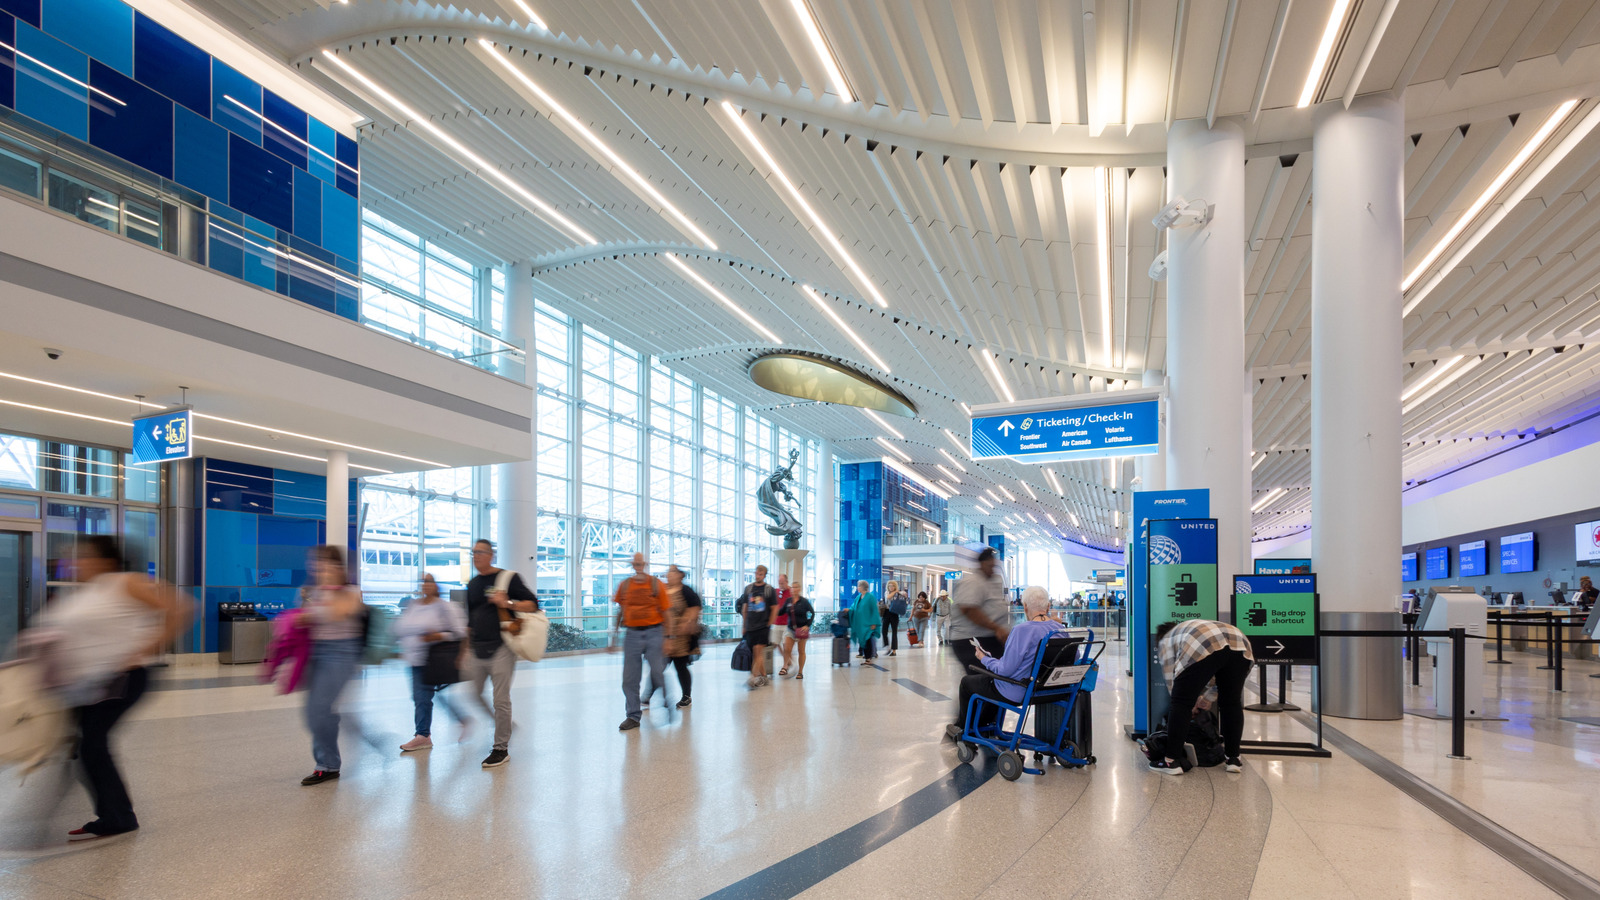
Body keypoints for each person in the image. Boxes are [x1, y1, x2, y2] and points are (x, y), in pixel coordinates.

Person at [29, 536, 186, 840]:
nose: (74, 562)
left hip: (119, 678)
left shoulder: (126, 582)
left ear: (107, 560)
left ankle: (117, 817)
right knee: (77, 745)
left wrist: (145, 648)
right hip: (82, 682)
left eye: (83, 556)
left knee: (92, 744)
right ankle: (107, 813)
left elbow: (180, 608)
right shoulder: (83, 593)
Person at [945, 586, 1062, 741]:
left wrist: (984, 658)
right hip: (1048, 690)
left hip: (1019, 691)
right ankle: (986, 725)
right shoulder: (1059, 629)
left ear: (1025, 606)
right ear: (1048, 606)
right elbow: (1072, 657)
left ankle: (966, 732)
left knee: (967, 683)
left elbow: (1005, 670)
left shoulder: (1022, 630)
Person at [461, 539, 539, 768]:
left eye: (480, 552)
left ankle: (500, 748)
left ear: (491, 555)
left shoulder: (508, 578)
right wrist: (464, 648)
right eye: (473, 552)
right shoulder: (473, 583)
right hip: (477, 648)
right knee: (473, 693)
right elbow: (470, 619)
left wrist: (507, 601)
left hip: (502, 647)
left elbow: (533, 604)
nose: (475, 556)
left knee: (500, 700)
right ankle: (504, 724)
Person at [1151, 619, 1254, 775]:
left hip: (1204, 641)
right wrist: (1206, 698)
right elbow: (1216, 668)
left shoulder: (1166, 640)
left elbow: (1173, 681)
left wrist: (1188, 703)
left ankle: (1170, 762)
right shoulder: (1188, 628)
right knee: (1231, 703)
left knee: (1181, 703)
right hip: (1240, 642)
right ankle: (1233, 759)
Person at [300, 545, 365, 786]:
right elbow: (303, 619)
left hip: (341, 654)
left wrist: (325, 592)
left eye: (323, 562)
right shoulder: (314, 592)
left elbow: (339, 613)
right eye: (315, 562)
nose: (318, 567)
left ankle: (327, 765)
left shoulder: (350, 592)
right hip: (317, 653)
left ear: (337, 567)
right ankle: (328, 759)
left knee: (319, 709)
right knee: (313, 713)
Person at [394, 574, 468, 752]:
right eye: (422, 582)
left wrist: (438, 635)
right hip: (413, 658)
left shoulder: (444, 607)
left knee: (422, 698)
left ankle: (423, 735)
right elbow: (400, 628)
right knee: (423, 697)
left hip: (432, 659)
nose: (425, 585)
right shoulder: (414, 605)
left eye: (428, 581)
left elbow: (459, 632)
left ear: (436, 585)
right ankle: (461, 720)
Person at [612, 552, 671, 730]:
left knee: (657, 672)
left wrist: (669, 638)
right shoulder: (625, 586)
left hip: (654, 631)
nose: (638, 565)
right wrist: (614, 635)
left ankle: (666, 701)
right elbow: (620, 611)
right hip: (632, 634)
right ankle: (633, 716)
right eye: (635, 563)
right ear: (633, 564)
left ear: (644, 564)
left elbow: (666, 612)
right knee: (629, 678)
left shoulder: (655, 584)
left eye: (640, 563)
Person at [949, 548, 1009, 684]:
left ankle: (986, 702)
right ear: (982, 564)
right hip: (970, 640)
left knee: (996, 677)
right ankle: (975, 703)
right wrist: (996, 628)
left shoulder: (991, 582)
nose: (992, 570)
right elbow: (969, 610)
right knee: (983, 680)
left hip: (989, 638)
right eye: (990, 566)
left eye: (994, 566)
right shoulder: (972, 582)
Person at [663, 565, 703, 708]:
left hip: (681, 638)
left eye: (673, 571)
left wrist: (687, 621)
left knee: (680, 667)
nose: (669, 574)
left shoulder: (686, 591)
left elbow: (696, 607)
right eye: (668, 571)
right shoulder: (663, 590)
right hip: (665, 636)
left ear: (680, 575)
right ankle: (648, 695)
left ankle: (686, 695)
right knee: (659, 666)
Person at [737, 566, 778, 687]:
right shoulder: (748, 589)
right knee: (755, 653)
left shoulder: (769, 589)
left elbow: (775, 608)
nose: (758, 575)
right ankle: (764, 676)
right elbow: (745, 608)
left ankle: (753, 677)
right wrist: (744, 625)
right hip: (750, 626)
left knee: (758, 651)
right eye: (757, 573)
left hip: (763, 626)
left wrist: (769, 624)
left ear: (765, 575)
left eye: (761, 574)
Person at [783, 584, 815, 679]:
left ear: (799, 589)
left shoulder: (804, 601)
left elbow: (812, 613)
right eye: (793, 587)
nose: (794, 589)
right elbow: (781, 611)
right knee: (787, 648)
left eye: (796, 587)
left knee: (801, 651)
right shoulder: (788, 601)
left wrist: (807, 625)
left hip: (801, 630)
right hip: (790, 629)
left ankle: (800, 672)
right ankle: (785, 666)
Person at [849, 580, 881, 659]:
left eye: (859, 586)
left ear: (863, 587)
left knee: (868, 640)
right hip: (861, 624)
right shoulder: (858, 597)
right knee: (863, 640)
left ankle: (869, 657)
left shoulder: (870, 597)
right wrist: (849, 610)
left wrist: (874, 623)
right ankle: (866, 656)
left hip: (869, 624)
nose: (857, 588)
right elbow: (854, 607)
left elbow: (874, 610)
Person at [774, 573, 794, 675]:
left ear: (786, 582)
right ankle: (788, 659)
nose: (781, 585)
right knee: (775, 643)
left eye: (782, 583)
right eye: (779, 583)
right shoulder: (776, 591)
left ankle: (785, 665)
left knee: (786, 645)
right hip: (776, 622)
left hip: (787, 624)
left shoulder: (791, 592)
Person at [881, 580, 907, 656]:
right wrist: (895, 591)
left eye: (892, 586)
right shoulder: (886, 593)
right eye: (889, 586)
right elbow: (888, 597)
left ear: (895, 586)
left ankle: (894, 650)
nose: (891, 587)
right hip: (886, 612)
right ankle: (887, 646)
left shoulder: (898, 594)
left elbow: (905, 596)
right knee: (884, 631)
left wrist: (900, 593)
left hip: (894, 613)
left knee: (894, 632)